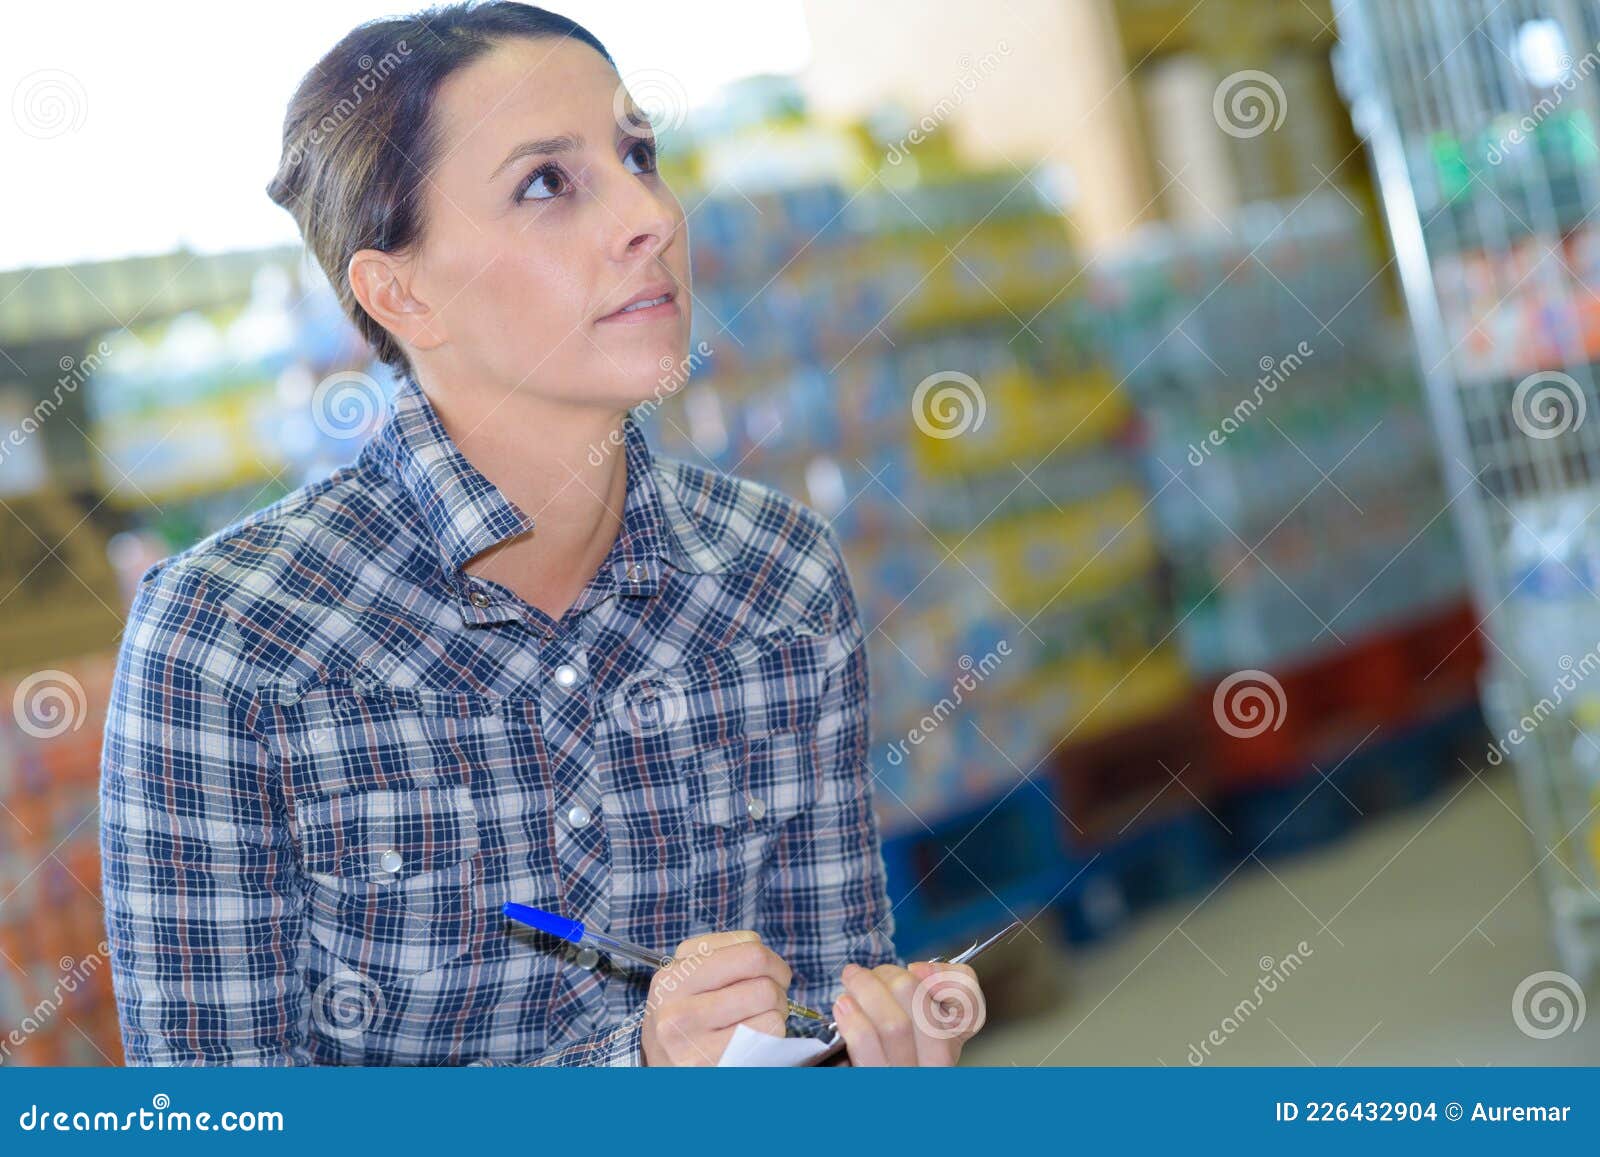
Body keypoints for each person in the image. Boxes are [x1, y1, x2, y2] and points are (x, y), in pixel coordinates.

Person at [98, 1, 987, 1066]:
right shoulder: (229, 641)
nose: (649, 216)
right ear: (402, 291)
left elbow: (809, 1014)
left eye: (636, 154)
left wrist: (866, 1063)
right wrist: (635, 1070)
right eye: (544, 184)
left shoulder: (775, 580)